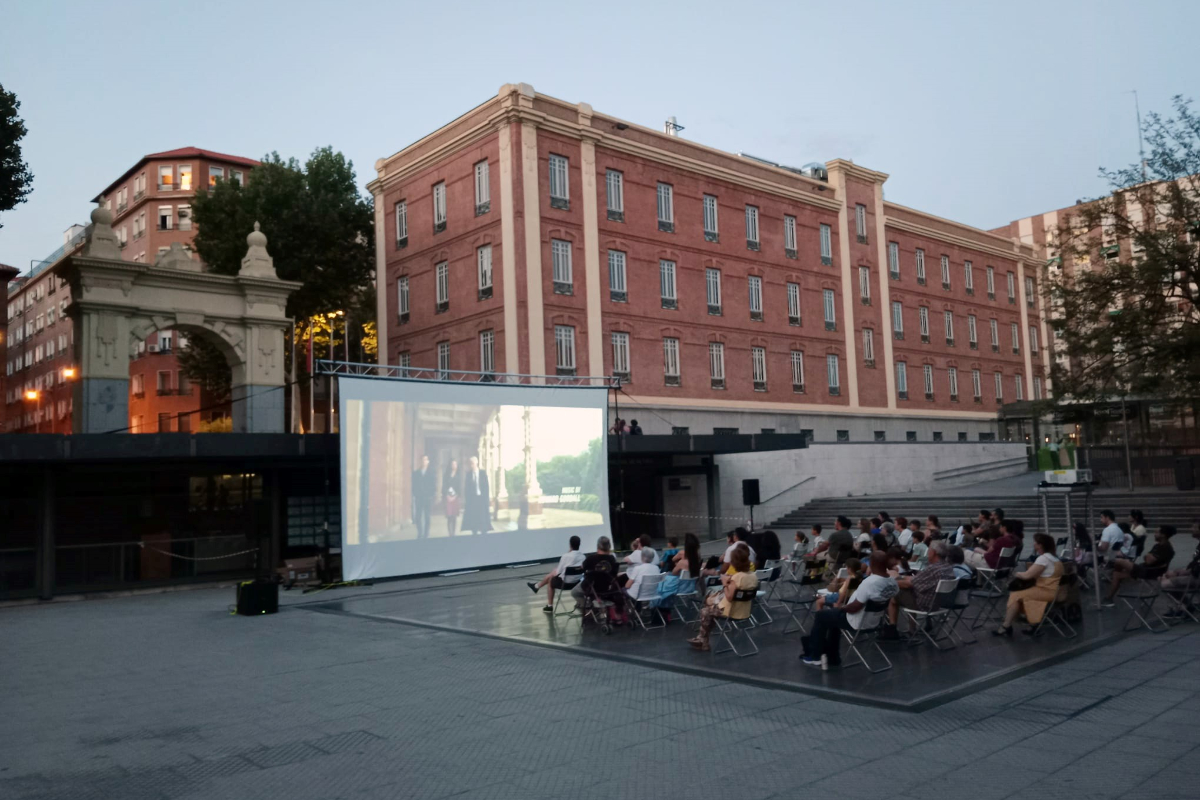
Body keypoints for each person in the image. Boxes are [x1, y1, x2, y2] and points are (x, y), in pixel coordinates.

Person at [800, 550, 899, 670]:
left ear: (872, 564)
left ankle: (815, 656)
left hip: (855, 621)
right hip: (874, 622)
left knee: (821, 616)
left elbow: (855, 607)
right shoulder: (892, 582)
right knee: (831, 618)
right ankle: (832, 657)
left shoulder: (869, 583)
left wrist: (842, 608)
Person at [688, 544, 759, 651]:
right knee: (710, 610)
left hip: (730, 611)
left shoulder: (737, 577)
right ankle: (702, 639)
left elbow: (729, 597)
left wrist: (725, 583)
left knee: (705, 611)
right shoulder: (753, 576)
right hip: (744, 611)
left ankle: (703, 639)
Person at [995, 533, 1062, 636]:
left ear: (1040, 545)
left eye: (1035, 542)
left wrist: (1013, 573)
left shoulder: (1043, 559)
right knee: (1020, 596)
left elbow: (1027, 575)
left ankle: (1006, 626)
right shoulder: (1054, 558)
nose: (1034, 544)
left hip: (1045, 591)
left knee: (1015, 595)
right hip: (1053, 591)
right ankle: (1029, 624)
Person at [889, 540, 955, 634]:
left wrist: (891, 581)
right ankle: (922, 625)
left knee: (894, 595)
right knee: (903, 584)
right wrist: (901, 577)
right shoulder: (947, 567)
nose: (927, 553)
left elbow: (910, 584)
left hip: (924, 604)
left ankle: (894, 629)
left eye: (929, 550)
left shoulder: (932, 569)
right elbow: (919, 579)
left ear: (933, 552)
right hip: (939, 603)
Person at [1105, 526, 1176, 606]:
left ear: (1163, 535)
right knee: (1117, 574)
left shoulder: (1164, 547)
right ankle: (1109, 599)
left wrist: (1147, 556)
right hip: (1146, 569)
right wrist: (1147, 556)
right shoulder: (1159, 546)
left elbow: (1148, 560)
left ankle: (1111, 569)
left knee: (1119, 561)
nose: (1154, 534)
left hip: (1149, 572)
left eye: (1156, 532)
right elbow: (1147, 557)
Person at [571, 536, 625, 621]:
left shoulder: (591, 559)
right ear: (609, 546)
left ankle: (588, 608)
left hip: (592, 587)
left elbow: (583, 567)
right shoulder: (612, 559)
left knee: (574, 592)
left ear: (598, 546)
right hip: (607, 587)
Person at [527, 535, 585, 613]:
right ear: (579, 544)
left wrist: (569, 553)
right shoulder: (583, 557)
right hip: (577, 584)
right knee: (554, 573)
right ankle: (537, 586)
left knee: (551, 579)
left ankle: (549, 606)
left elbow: (558, 572)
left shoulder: (565, 556)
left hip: (565, 584)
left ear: (570, 544)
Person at [1162, 521, 1200, 618]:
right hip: (1194, 575)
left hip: (1196, 578)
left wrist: (1185, 572)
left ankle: (1178, 608)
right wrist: (1181, 572)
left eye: (1194, 528)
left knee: (1164, 584)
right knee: (1166, 576)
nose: (1192, 529)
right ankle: (1187, 606)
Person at [461, 455, 491, 535]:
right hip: (473, 500)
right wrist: (467, 500)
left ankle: (484, 533)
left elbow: (486, 487)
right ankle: (474, 532)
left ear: (476, 463)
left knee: (482, 517)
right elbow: (466, 489)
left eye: (473, 463)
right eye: (470, 463)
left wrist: (486, 499)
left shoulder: (482, 473)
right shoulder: (469, 474)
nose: (471, 465)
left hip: (481, 498)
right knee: (474, 517)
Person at [411, 455, 436, 539]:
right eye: (422, 460)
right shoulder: (416, 473)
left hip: (427, 498)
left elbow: (433, 485)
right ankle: (420, 532)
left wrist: (431, 495)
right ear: (420, 461)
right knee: (418, 517)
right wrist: (415, 494)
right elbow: (413, 486)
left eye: (425, 460)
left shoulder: (431, 473)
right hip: (419, 498)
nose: (423, 461)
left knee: (427, 516)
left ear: (428, 461)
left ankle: (426, 533)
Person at [442, 458, 462, 537]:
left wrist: (455, 496)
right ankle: (450, 533)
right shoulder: (446, 475)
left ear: (457, 466)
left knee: (454, 516)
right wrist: (447, 495)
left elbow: (460, 487)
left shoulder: (458, 475)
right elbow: (444, 486)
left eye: (455, 464)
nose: (454, 465)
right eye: (452, 464)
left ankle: (453, 532)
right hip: (448, 497)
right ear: (450, 465)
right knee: (449, 516)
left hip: (455, 498)